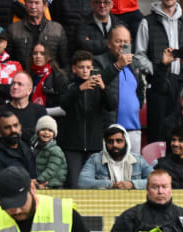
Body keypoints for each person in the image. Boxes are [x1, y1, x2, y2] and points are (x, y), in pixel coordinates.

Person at [134, 0, 183, 139]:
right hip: (158, 88)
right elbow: (138, 57)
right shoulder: (147, 22)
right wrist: (158, 70)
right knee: (158, 136)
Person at [59, 50, 112, 188]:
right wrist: (80, 89)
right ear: (74, 69)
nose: (85, 71)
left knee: (92, 185)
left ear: (92, 68)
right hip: (72, 146)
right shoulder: (69, 85)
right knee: (74, 184)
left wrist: (104, 88)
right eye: (81, 67)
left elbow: (112, 105)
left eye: (88, 67)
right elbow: (63, 103)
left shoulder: (98, 86)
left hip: (94, 145)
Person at [94, 25, 143, 148]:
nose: (122, 45)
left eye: (126, 42)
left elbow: (140, 93)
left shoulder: (135, 64)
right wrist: (118, 65)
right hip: (111, 130)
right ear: (109, 44)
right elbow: (97, 83)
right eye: (118, 41)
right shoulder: (98, 61)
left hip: (134, 129)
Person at [79, 123, 153, 188]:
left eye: (119, 141)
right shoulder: (95, 160)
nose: (114, 145)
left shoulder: (138, 160)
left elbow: (155, 180)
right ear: (105, 144)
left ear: (126, 142)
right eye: (110, 141)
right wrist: (111, 185)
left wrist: (132, 184)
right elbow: (83, 183)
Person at [8, 0, 70, 69]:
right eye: (30, 2)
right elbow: (8, 61)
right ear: (25, 5)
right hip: (22, 76)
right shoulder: (13, 29)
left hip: (50, 77)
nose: (33, 7)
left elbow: (65, 62)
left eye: (37, 3)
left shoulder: (57, 29)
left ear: (45, 6)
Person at [0, 108, 36, 180]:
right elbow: (2, 184)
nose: (13, 130)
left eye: (15, 125)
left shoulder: (26, 148)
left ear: (20, 127)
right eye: (7, 127)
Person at [0, 70, 47, 141]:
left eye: (19, 84)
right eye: (13, 83)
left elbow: (45, 136)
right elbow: (0, 137)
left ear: (29, 90)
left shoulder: (40, 111)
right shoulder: (1, 111)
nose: (15, 87)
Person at [27, 43, 69, 109]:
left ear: (49, 57)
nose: (38, 56)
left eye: (42, 53)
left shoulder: (59, 77)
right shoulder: (28, 76)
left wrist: (42, 112)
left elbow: (64, 107)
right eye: (35, 53)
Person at [33, 114, 67, 187]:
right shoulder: (35, 145)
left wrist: (38, 180)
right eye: (43, 129)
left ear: (54, 134)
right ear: (38, 131)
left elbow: (51, 170)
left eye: (50, 130)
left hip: (53, 184)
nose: (46, 132)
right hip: (41, 181)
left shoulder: (55, 150)